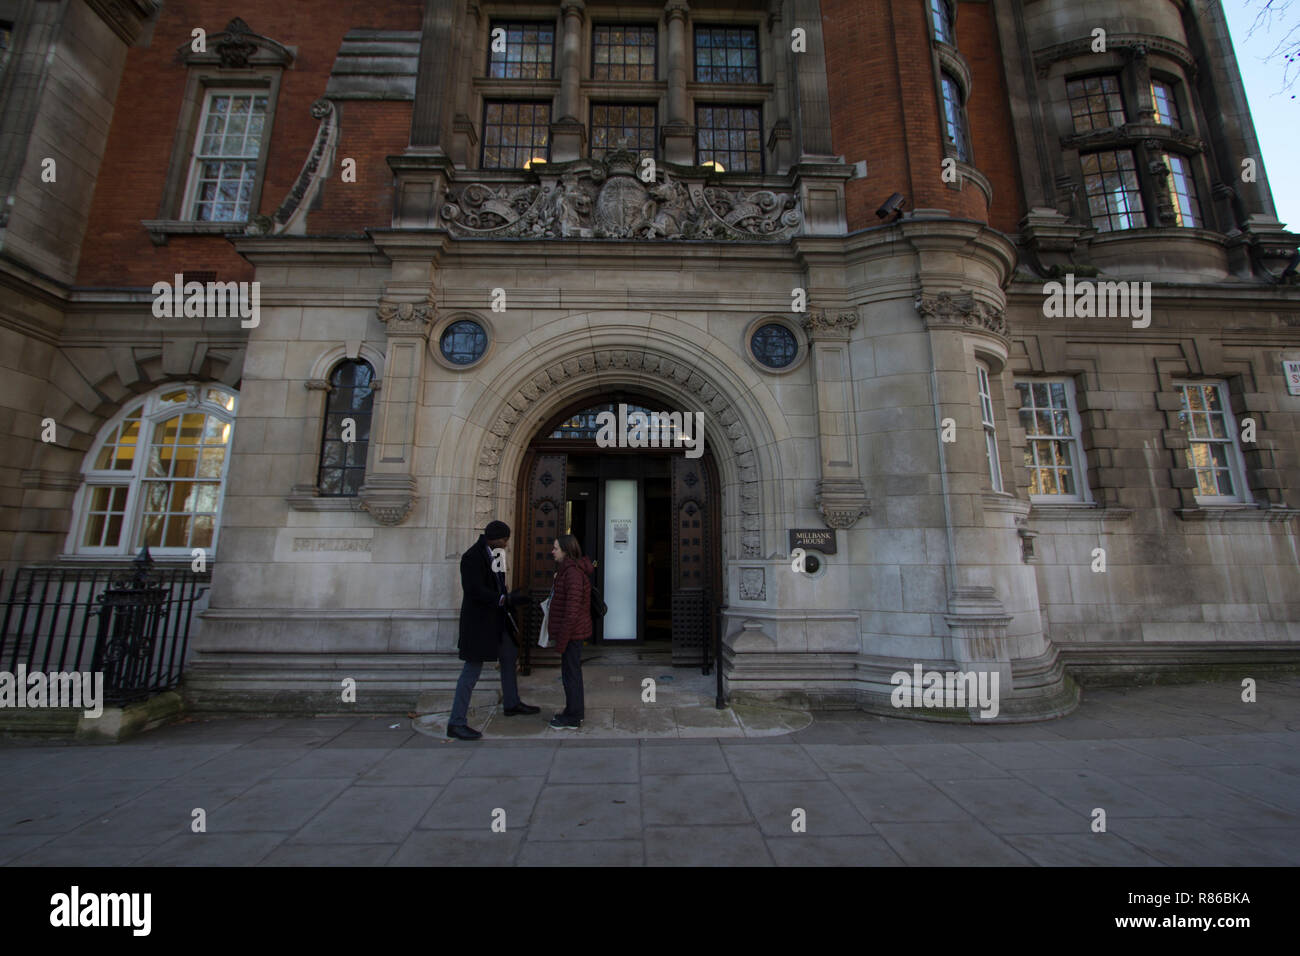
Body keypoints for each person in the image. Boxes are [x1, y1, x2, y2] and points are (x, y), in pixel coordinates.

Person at [447, 520, 539, 740]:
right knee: (471, 670)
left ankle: (511, 702)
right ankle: (456, 721)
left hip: (499, 621)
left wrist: (508, 596)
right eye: (504, 540)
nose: (507, 544)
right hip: (479, 624)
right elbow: (474, 590)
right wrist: (503, 599)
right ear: (494, 538)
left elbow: (499, 583)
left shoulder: (497, 556)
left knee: (509, 656)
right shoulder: (472, 557)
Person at [546, 534, 593, 730]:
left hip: (572, 634)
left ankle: (573, 716)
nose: (552, 551)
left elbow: (572, 610)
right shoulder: (567, 572)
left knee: (571, 674)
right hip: (571, 633)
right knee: (571, 673)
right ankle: (573, 711)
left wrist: (562, 639)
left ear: (566, 550)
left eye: (556, 548)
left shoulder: (572, 574)